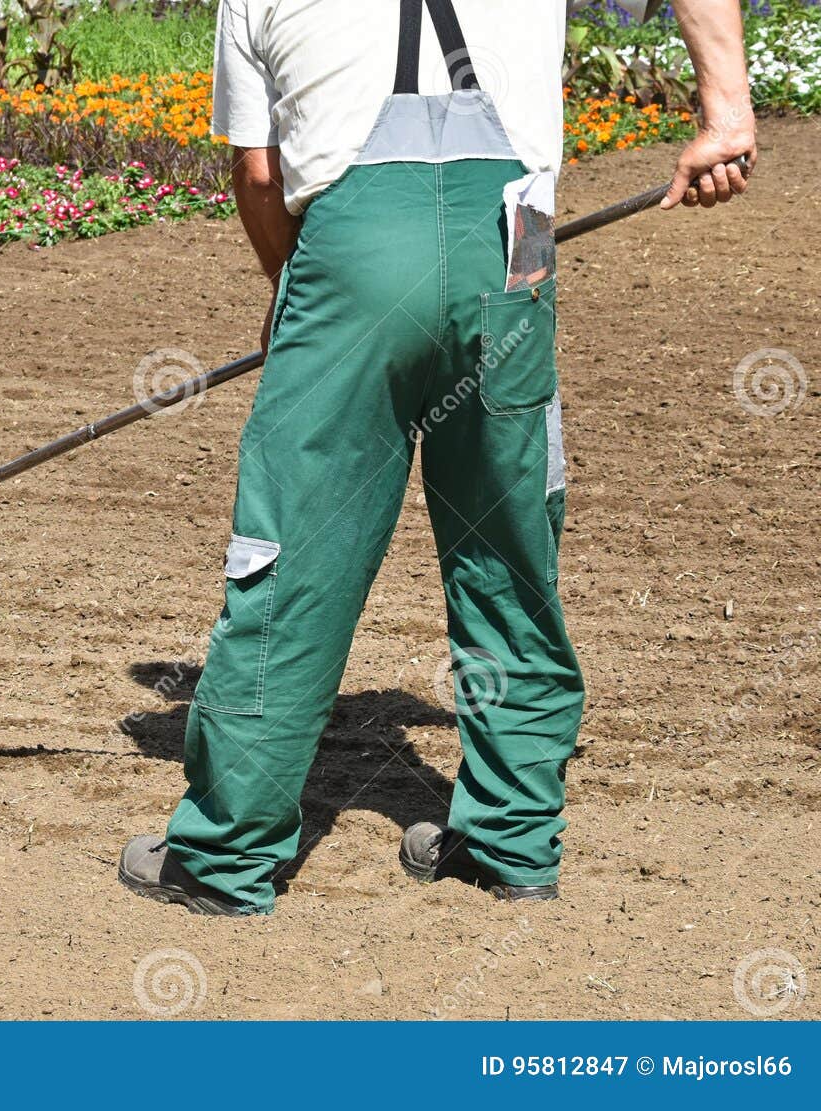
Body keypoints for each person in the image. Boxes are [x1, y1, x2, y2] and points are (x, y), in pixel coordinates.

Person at [118, 0, 756, 916]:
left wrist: (300, 302)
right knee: (509, 549)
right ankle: (510, 838)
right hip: (516, 240)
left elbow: (259, 172)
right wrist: (726, 113)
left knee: (297, 555)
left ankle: (224, 856)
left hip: (351, 250)